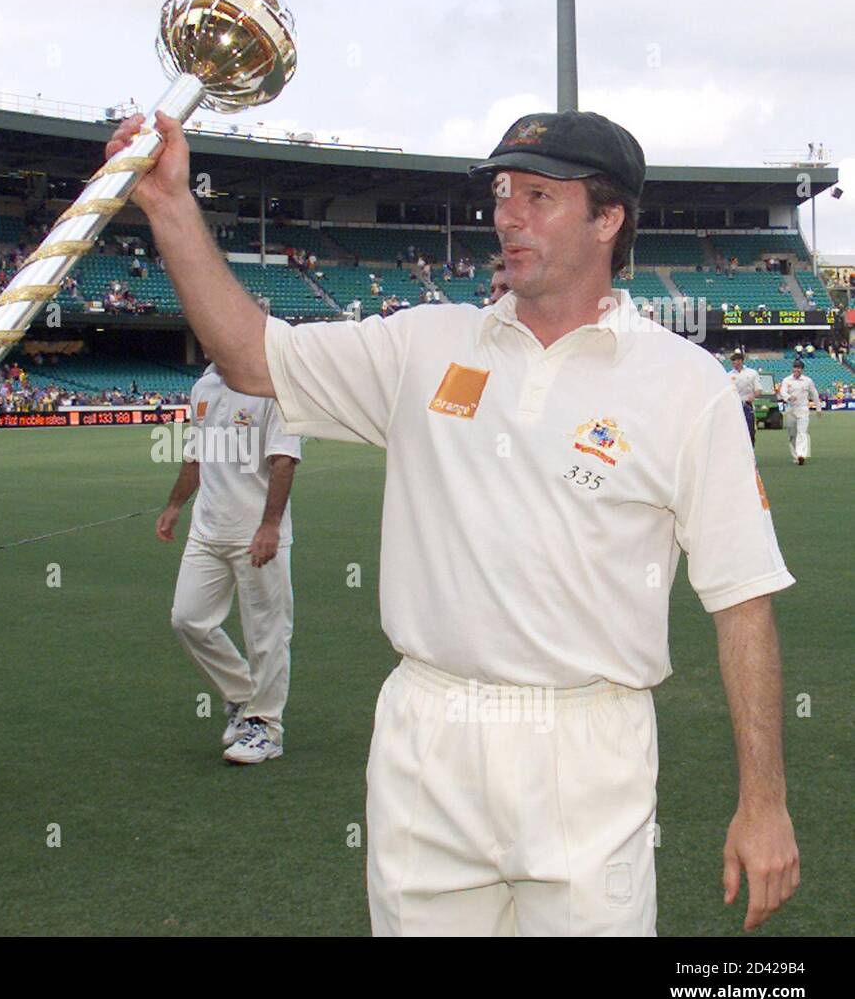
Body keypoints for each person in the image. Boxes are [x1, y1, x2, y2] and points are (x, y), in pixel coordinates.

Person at [107, 108, 800, 936]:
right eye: (503, 193)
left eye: (539, 197)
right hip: (427, 734)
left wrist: (764, 804)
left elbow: (743, 600)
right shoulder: (423, 346)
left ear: (609, 219)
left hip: (587, 746)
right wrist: (171, 206)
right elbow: (250, 355)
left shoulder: (688, 388)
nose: (507, 215)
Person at [156, 357, 301, 764]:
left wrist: (270, 525)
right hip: (207, 529)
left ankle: (266, 728)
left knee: (267, 634)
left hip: (255, 532)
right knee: (188, 619)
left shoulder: (272, 386)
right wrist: (174, 504)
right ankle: (241, 697)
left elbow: (284, 459)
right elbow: (196, 454)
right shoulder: (203, 387)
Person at [778, 359, 820, 465]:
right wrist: (788, 397)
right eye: (795, 367)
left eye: (799, 368)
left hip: (803, 409)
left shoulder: (807, 381)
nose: (797, 369)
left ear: (802, 369)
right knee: (792, 434)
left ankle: (801, 455)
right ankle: (796, 456)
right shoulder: (787, 380)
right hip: (791, 409)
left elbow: (814, 394)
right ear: (793, 368)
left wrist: (818, 408)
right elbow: (782, 391)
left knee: (802, 432)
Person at [728, 351, 761, 446]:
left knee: (750, 430)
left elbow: (758, 389)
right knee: (735, 431)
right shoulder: (729, 375)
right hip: (734, 405)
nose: (734, 363)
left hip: (747, 404)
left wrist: (753, 396)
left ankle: (751, 454)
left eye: (736, 360)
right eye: (733, 361)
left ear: (741, 361)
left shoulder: (752, 373)